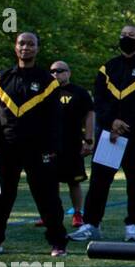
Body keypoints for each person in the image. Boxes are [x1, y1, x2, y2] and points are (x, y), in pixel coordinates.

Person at [0, 31, 68, 257]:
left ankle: (58, 242)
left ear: (37, 48)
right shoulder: (1, 80)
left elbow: (55, 119)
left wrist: (52, 149)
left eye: (30, 44)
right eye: (21, 43)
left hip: (39, 150)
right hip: (4, 149)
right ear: (15, 47)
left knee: (47, 197)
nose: (25, 47)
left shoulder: (48, 82)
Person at [70, 24, 135, 243]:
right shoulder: (107, 68)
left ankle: (132, 225)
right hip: (109, 135)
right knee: (100, 180)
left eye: (131, 35)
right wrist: (112, 124)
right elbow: (100, 101)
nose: (126, 38)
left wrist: (124, 124)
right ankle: (92, 224)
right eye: (122, 35)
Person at [45, 61, 93, 230]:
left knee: (74, 181)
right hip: (49, 144)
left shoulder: (79, 93)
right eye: (52, 71)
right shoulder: (44, 92)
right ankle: (50, 215)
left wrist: (88, 140)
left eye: (60, 70)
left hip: (72, 144)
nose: (55, 74)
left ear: (68, 73)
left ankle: (78, 213)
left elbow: (89, 115)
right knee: (50, 181)